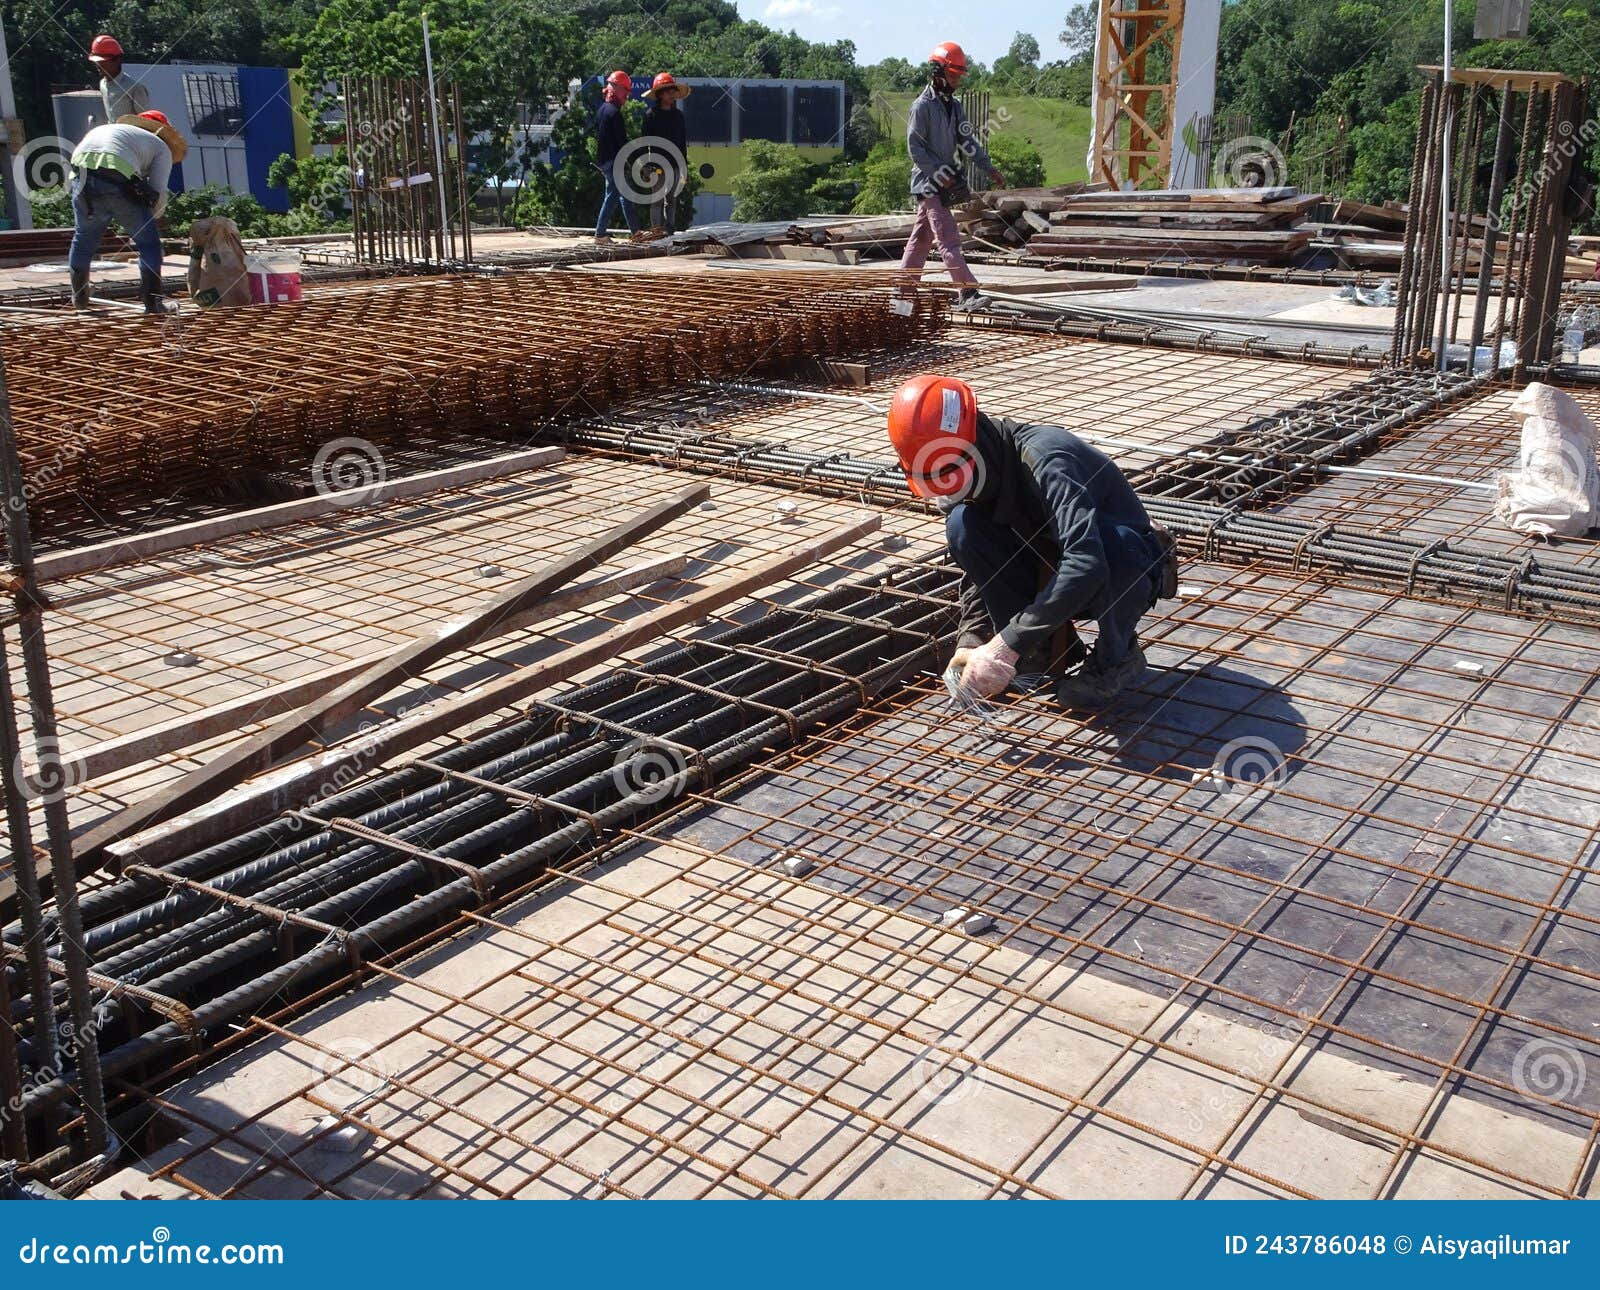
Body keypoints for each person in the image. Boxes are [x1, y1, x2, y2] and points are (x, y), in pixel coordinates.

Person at [885, 373, 1178, 709]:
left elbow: (1086, 563)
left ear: (972, 444)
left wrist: (1004, 646)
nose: (944, 488)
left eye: (946, 475)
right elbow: (978, 572)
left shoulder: (1048, 461)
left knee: (1112, 547)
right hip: (1054, 563)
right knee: (963, 525)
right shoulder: (977, 471)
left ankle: (1118, 656)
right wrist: (972, 637)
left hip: (1124, 564)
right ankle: (1039, 648)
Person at [899, 41, 1005, 310]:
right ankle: (967, 292)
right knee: (947, 238)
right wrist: (938, 174)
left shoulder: (955, 106)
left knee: (920, 240)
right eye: (953, 74)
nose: (957, 80)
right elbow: (915, 148)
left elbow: (968, 141)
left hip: (943, 182)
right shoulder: (921, 107)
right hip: (928, 183)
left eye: (959, 75)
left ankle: (901, 299)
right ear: (937, 72)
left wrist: (988, 166)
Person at [68, 110, 188, 314]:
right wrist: (154, 219)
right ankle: (154, 303)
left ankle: (79, 299)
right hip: (116, 178)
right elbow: (158, 192)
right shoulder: (160, 147)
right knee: (148, 244)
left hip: (80, 180)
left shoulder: (113, 132)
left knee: (83, 238)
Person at [639, 72, 690, 240]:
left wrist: (684, 168)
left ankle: (670, 230)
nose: (671, 95)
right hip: (657, 167)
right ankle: (656, 231)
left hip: (675, 165)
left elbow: (682, 143)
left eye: (673, 91)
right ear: (660, 94)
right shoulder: (650, 116)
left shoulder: (679, 117)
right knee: (657, 200)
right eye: (668, 91)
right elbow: (643, 142)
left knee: (672, 199)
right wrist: (645, 166)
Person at [594, 69, 642, 243]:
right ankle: (600, 234)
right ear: (616, 89)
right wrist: (634, 162)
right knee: (613, 195)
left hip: (605, 161)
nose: (627, 96)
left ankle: (636, 232)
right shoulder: (614, 113)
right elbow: (622, 143)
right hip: (613, 161)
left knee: (624, 196)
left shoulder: (602, 110)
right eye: (625, 91)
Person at [88, 34, 148, 121]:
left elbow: (146, 122)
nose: (99, 65)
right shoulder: (103, 84)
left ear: (117, 60)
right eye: (97, 62)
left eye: (102, 61)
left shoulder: (135, 88)